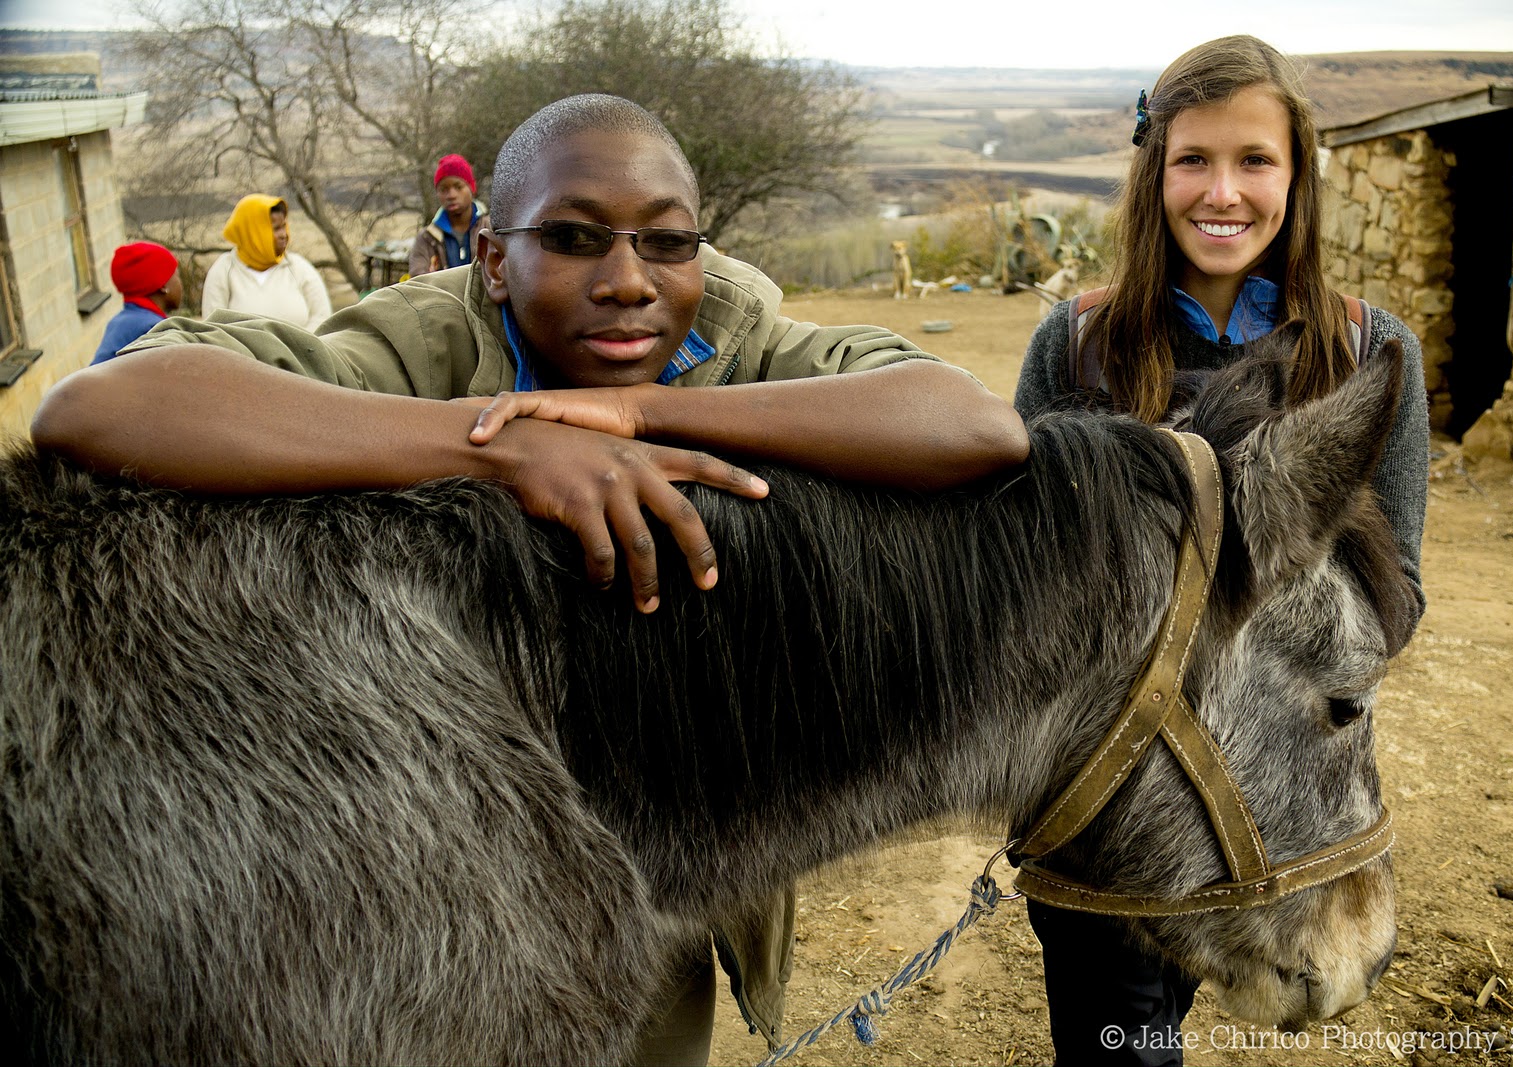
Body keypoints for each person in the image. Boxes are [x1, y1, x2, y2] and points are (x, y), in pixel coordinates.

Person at [32, 93, 1030, 1065]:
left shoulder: (732, 330)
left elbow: (971, 425)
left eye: (667, 240)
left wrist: (642, 413)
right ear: (494, 259)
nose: (629, 279)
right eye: (572, 237)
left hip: (662, 837)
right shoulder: (423, 339)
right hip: (438, 840)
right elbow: (103, 407)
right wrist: (502, 448)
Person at [1010, 35, 1429, 1067]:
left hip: (1266, 770)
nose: (1223, 192)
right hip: (1107, 775)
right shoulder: (1077, 343)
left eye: (1255, 160)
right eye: (1193, 159)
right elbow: (1018, 578)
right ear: (1154, 169)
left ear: (1298, 174)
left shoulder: (1369, 351)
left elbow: (1398, 600)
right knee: (1121, 1043)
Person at [201, 194, 332, 330]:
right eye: (276, 228)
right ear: (252, 232)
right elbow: (213, 329)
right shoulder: (224, 271)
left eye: (284, 226)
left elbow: (322, 319)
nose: (284, 235)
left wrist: (297, 342)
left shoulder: (299, 268)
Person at [92, 241, 184, 365]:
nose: (180, 284)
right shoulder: (153, 329)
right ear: (163, 285)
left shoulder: (121, 321)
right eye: (177, 276)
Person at [409, 153, 489, 276]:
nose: (451, 195)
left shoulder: (491, 229)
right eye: (443, 189)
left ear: (471, 188)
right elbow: (417, 280)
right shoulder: (427, 238)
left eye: (458, 187)